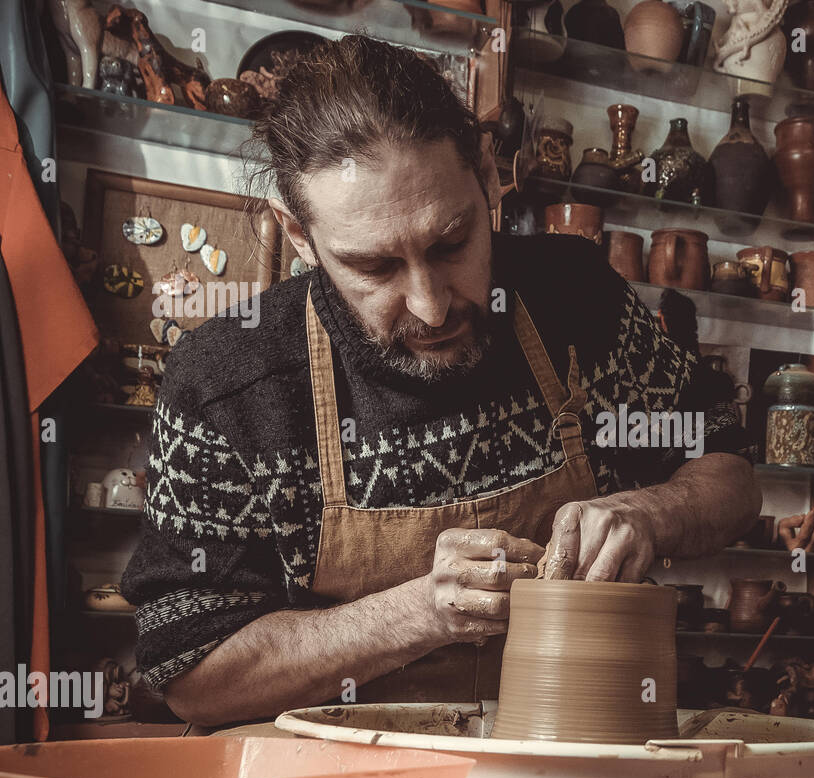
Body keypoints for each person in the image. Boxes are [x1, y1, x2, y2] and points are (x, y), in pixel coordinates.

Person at [121, 35, 760, 727]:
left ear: (487, 174)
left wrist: (654, 512)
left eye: (452, 244)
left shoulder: (576, 300)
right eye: (375, 268)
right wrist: (420, 610)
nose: (429, 305)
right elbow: (193, 674)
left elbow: (728, 472)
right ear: (299, 235)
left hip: (574, 771)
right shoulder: (227, 383)